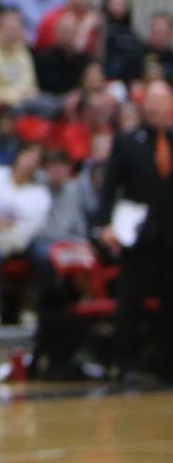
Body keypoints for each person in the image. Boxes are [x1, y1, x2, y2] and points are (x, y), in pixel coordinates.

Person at [95, 79, 173, 382]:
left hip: (169, 232)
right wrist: (104, 224)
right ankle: (122, 361)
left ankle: (165, 363)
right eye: (152, 100)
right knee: (130, 297)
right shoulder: (127, 141)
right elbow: (110, 186)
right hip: (137, 231)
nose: (157, 106)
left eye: (162, 100)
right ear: (144, 105)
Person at [0, 144, 52, 325]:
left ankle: (30, 305)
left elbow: (30, 228)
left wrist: (0, 224)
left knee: (45, 255)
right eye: (27, 156)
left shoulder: (40, 193)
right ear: (18, 156)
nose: (30, 162)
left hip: (24, 239)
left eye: (36, 160)